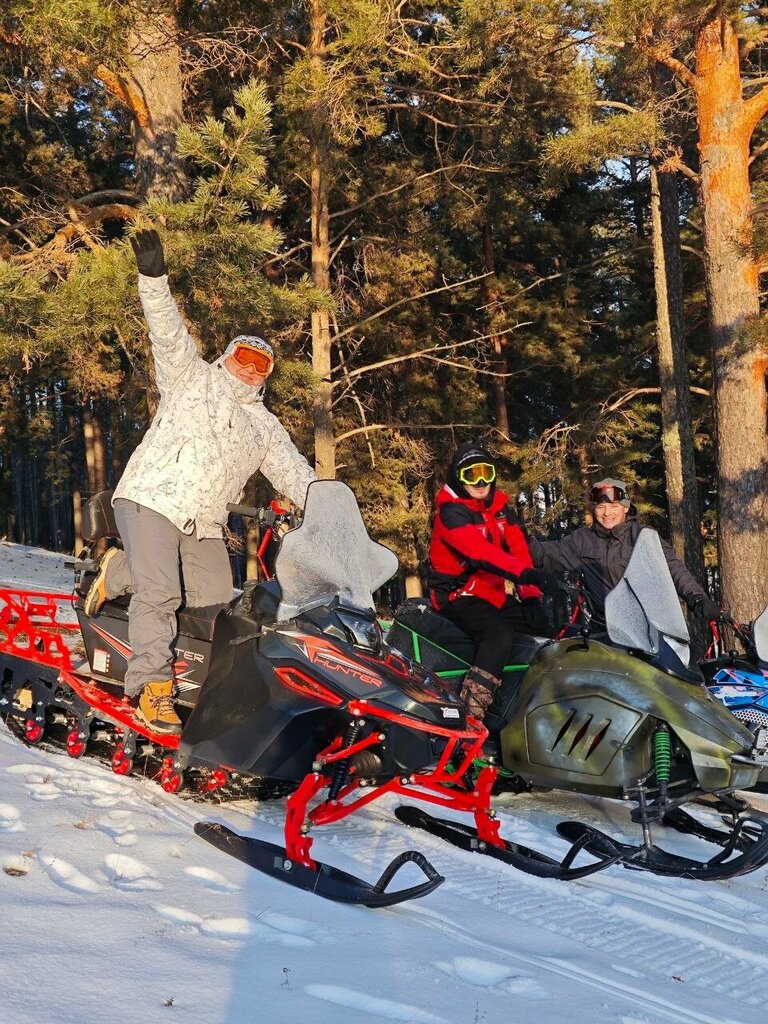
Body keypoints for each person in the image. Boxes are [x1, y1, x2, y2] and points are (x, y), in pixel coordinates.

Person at [83, 228, 316, 736]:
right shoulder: (191, 379)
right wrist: (152, 277)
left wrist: (328, 507)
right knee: (161, 592)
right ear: (227, 356)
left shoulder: (265, 426)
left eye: (261, 364)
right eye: (243, 358)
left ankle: (121, 572)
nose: (249, 369)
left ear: (267, 373)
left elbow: (296, 471)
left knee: (215, 602)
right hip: (151, 497)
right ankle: (152, 687)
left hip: (203, 521)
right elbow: (165, 331)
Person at [427, 443, 563, 722]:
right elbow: (481, 553)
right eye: (470, 475)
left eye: (485, 473)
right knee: (498, 636)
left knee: (540, 631)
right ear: (457, 478)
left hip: (492, 593)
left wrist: (530, 597)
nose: (479, 482)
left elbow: (519, 551)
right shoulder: (451, 514)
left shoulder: (501, 508)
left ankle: (534, 705)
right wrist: (525, 575)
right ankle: (470, 716)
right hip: (457, 596)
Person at [526, 477, 720, 627]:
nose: (607, 513)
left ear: (625, 509)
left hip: (648, 628)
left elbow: (673, 567)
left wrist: (697, 598)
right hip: (604, 630)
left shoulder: (643, 536)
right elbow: (545, 554)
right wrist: (520, 537)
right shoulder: (582, 540)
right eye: (601, 507)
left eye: (613, 506)